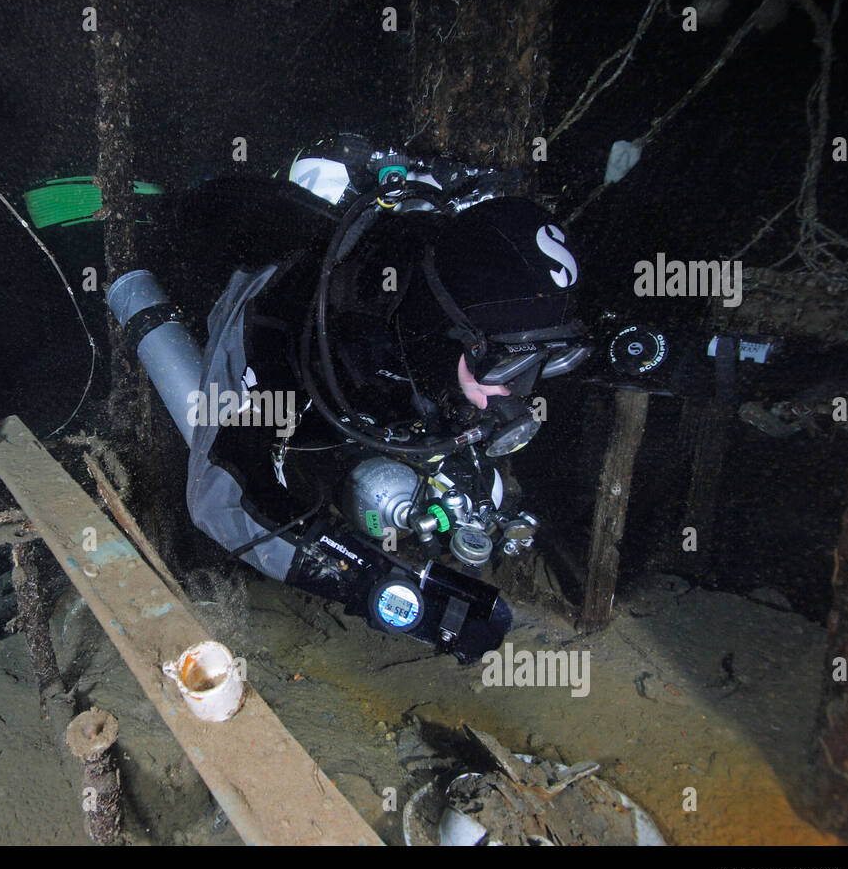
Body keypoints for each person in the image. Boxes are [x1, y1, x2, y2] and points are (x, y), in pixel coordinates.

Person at [107, 133, 591, 662]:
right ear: (445, 331)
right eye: (502, 363)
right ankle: (154, 213)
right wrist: (382, 589)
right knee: (220, 443)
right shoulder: (289, 327)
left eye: (546, 361)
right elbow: (221, 495)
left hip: (380, 329)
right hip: (231, 265)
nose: (514, 393)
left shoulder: (439, 321)